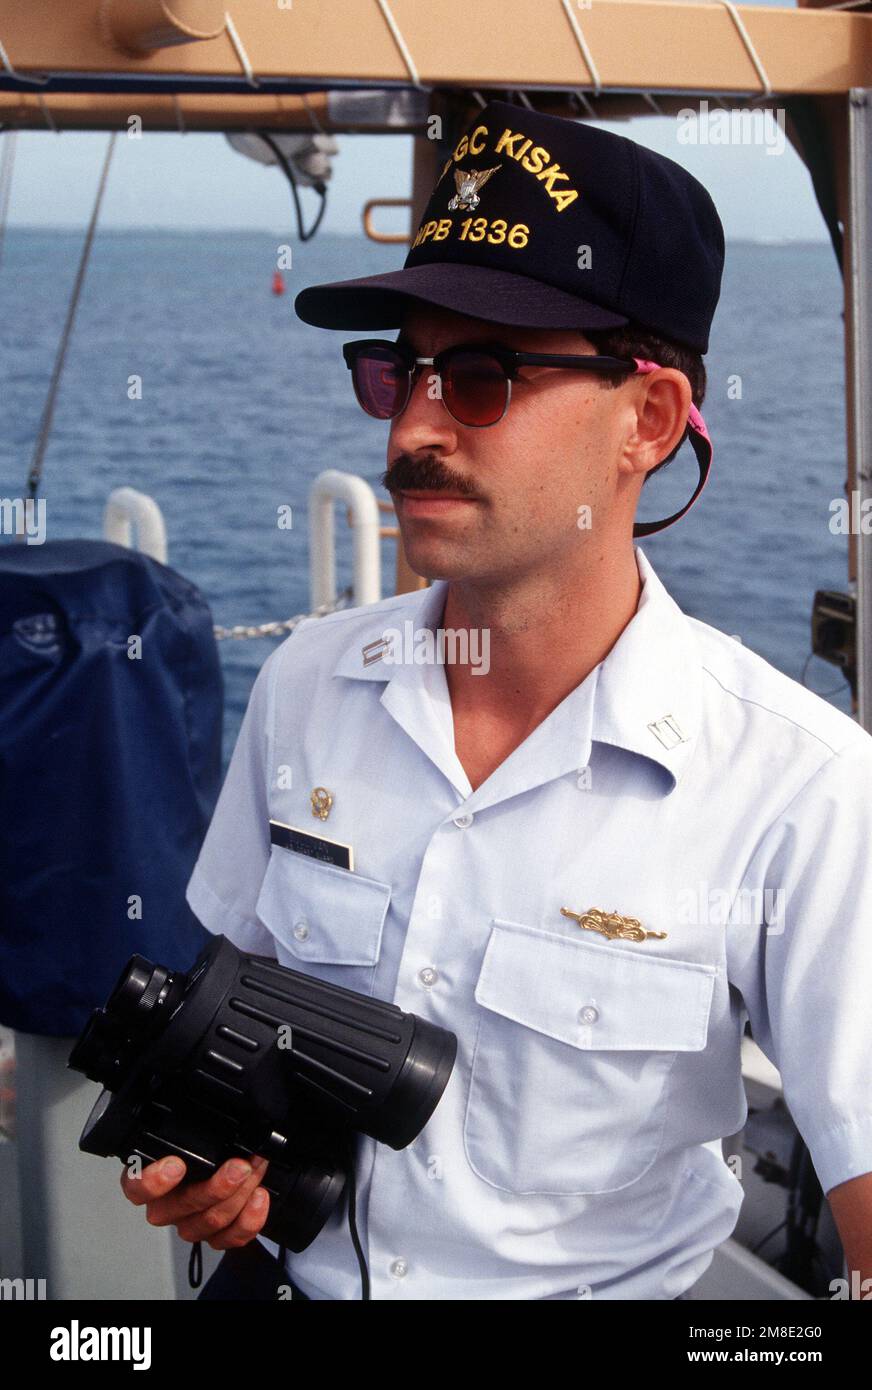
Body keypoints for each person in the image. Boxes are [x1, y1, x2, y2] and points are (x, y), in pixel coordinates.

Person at [121, 99, 872, 1300]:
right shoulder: (311, 680)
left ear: (649, 419)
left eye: (478, 378)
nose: (413, 427)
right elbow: (236, 1017)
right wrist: (220, 1160)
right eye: (399, 370)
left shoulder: (797, 788)